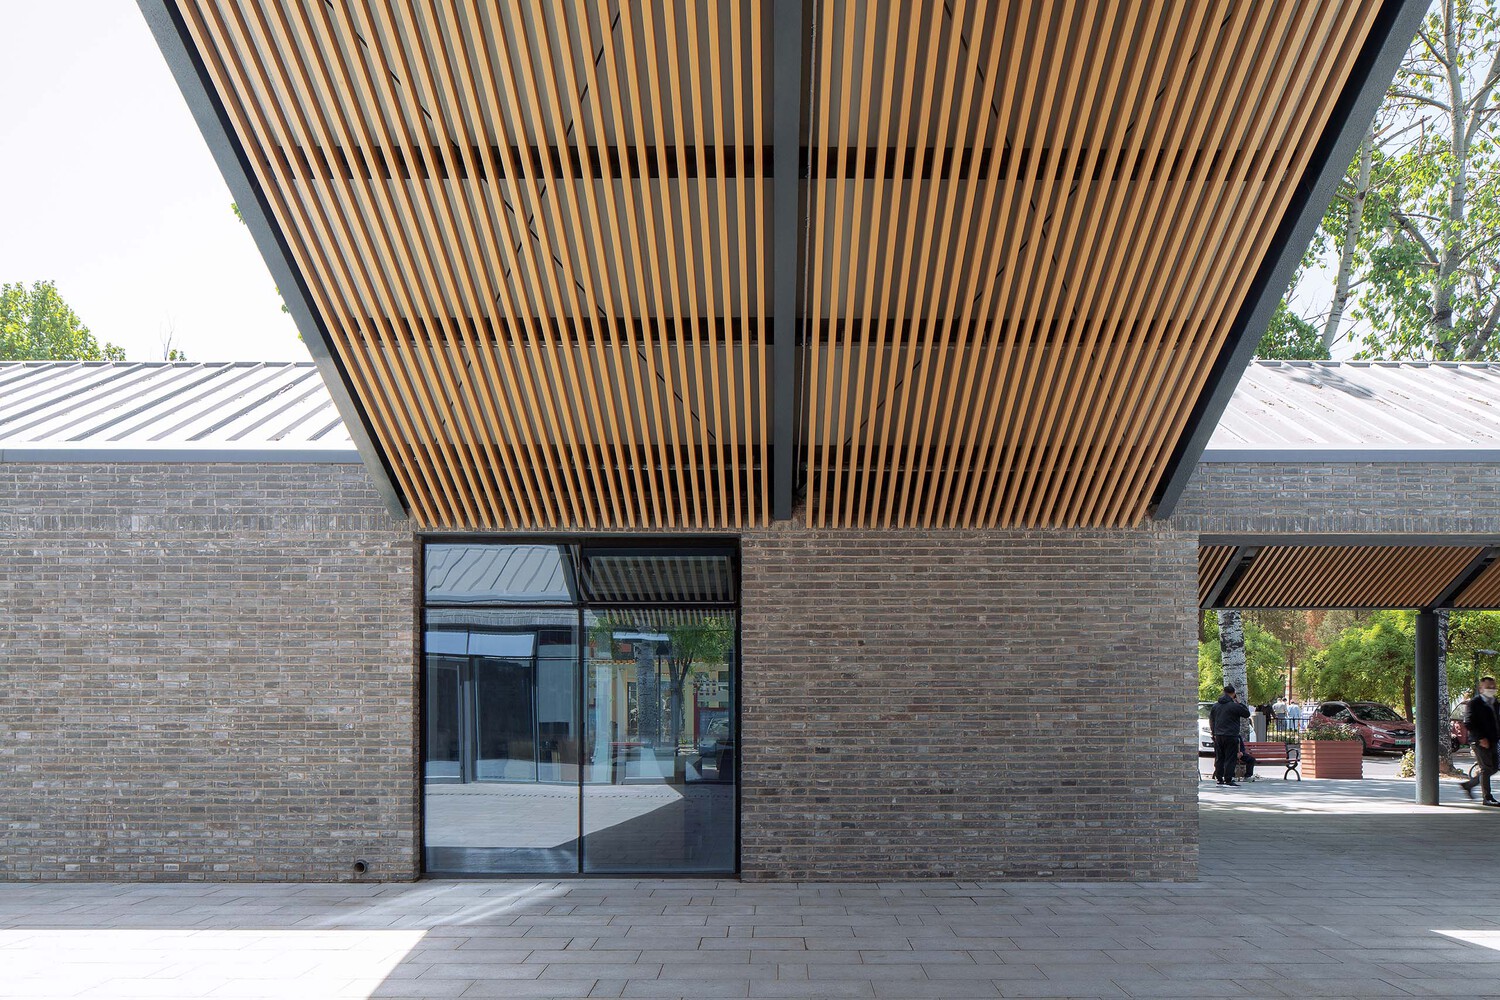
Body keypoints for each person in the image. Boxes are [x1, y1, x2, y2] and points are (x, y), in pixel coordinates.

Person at [1460, 676, 1500, 805]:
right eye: (1488, 687)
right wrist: (1481, 737)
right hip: (1479, 741)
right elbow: (1468, 722)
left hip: (1493, 739)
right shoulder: (1474, 703)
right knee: (1486, 768)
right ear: (1481, 688)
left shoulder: (1495, 702)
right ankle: (1487, 797)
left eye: (1493, 687)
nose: (1491, 689)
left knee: (1494, 768)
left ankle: (1469, 785)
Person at [1209, 684, 1251, 786]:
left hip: (1218, 735)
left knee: (1220, 757)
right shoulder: (1234, 706)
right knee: (1230, 758)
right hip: (1231, 735)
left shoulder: (1215, 706)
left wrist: (1213, 732)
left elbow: (1211, 720)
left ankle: (1219, 778)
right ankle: (1228, 779)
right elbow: (1247, 714)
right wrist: (1239, 703)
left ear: (1224, 692)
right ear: (1233, 694)